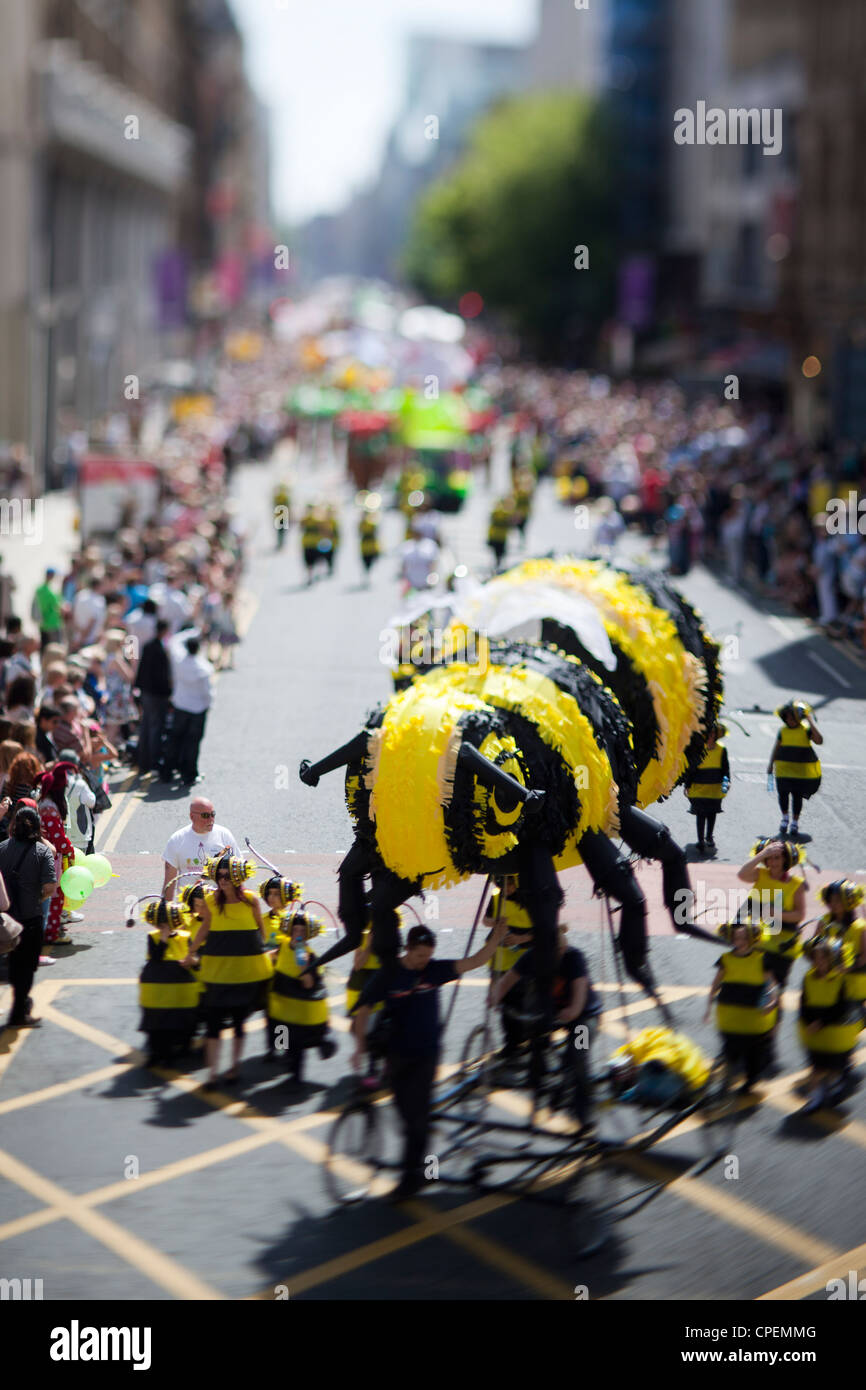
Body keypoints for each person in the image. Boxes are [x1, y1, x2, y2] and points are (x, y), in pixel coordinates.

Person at [350, 919, 509, 1202]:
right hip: (397, 1055)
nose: (425, 961)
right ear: (408, 950)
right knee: (405, 1114)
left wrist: (496, 939)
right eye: (420, 956)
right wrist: (359, 1047)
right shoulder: (389, 975)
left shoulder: (434, 971)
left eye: (429, 956)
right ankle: (421, 1162)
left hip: (426, 1054)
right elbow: (363, 1010)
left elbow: (474, 961)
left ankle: (412, 1180)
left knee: (415, 1119)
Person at [494, 923, 602, 1129]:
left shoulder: (574, 958)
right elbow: (507, 981)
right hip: (551, 1012)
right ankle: (540, 1085)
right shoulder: (533, 957)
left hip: (583, 1016)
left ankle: (584, 1113)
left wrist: (572, 1012)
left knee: (578, 1056)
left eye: (558, 953)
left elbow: (579, 994)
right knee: (536, 1042)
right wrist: (495, 998)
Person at [182, 854, 273, 1089]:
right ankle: (212, 1074)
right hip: (218, 971)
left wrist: (268, 950)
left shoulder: (251, 900)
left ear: (237, 877)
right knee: (214, 1025)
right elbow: (205, 928)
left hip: (246, 972)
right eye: (219, 876)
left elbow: (262, 930)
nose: (222, 881)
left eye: (227, 876)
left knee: (239, 1023)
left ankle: (235, 1067)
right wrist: (190, 952)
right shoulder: (211, 901)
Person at [737, 838, 807, 1070]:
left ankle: (768, 1045)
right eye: (770, 858)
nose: (773, 862)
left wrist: (775, 913)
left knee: (772, 996)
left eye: (777, 858)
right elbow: (742, 874)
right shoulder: (760, 875)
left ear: (786, 861)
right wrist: (761, 855)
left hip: (780, 949)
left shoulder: (795, 883)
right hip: (755, 945)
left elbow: (799, 915)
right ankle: (745, 1040)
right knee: (747, 991)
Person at [0, 805, 58, 1028]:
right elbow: (50, 887)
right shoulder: (42, 852)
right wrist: (37, 899)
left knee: (14, 963)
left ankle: (21, 1004)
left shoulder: (2, 848)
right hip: (31, 919)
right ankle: (19, 1012)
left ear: (14, 825)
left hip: (8, 920)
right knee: (28, 966)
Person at [266, 905, 336, 1088]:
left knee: (296, 1044)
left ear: (307, 934)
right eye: (295, 929)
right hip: (282, 1002)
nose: (298, 933)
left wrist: (303, 966)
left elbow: (308, 983)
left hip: (299, 1006)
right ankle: (286, 1059)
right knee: (281, 1036)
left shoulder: (306, 955)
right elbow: (273, 956)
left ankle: (296, 1076)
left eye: (302, 931)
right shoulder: (283, 945)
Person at [704, 922, 778, 1094]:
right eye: (737, 937)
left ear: (752, 939)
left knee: (751, 1049)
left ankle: (751, 1079)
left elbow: (771, 984)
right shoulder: (725, 959)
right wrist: (709, 1004)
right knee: (730, 1048)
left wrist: (772, 1000)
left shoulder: (761, 959)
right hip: (729, 1013)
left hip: (753, 1016)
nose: (740, 941)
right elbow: (716, 984)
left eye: (744, 938)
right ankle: (727, 1079)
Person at [798, 938, 862, 1113]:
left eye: (823, 958)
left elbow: (841, 1008)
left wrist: (821, 1022)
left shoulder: (841, 980)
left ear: (830, 959)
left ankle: (835, 1086)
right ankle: (815, 1099)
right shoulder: (808, 978)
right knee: (817, 1068)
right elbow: (804, 1002)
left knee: (834, 1067)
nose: (819, 962)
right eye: (816, 958)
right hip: (815, 1031)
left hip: (835, 1032)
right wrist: (808, 1022)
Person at [138, 899, 200, 1068]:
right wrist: (164, 938)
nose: (165, 926)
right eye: (162, 923)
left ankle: (174, 1053)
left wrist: (193, 962)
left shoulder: (186, 937)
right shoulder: (153, 937)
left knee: (177, 1021)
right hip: (156, 987)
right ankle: (156, 1053)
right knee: (156, 1023)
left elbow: (195, 960)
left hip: (180, 987)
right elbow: (156, 957)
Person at [810, 881, 866, 1022]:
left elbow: (864, 957)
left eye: (838, 900)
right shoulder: (823, 922)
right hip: (827, 983)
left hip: (853, 986)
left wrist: (848, 967)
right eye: (830, 900)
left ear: (849, 901)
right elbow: (813, 946)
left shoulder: (860, 928)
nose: (833, 904)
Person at [162, 634, 213, 786]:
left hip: (181, 706)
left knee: (175, 739)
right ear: (198, 649)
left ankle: (167, 772)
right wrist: (209, 704)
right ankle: (189, 775)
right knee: (193, 742)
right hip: (197, 710)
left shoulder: (179, 661)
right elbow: (208, 693)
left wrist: (193, 631)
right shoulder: (204, 667)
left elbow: (173, 640)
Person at [162, 799, 238, 900]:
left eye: (213, 814)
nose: (211, 819)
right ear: (192, 817)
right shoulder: (177, 840)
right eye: (205, 815)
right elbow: (169, 881)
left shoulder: (224, 835)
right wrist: (166, 909)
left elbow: (237, 871)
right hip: (189, 906)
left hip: (219, 905)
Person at [36, 762, 77, 946]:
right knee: (55, 896)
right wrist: (70, 849)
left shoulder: (43, 804)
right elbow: (59, 840)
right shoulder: (51, 810)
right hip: (51, 860)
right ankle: (51, 933)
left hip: (42, 856)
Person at [768, 700, 822, 838]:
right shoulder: (783, 731)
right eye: (787, 718)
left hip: (800, 772)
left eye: (793, 718)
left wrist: (810, 721)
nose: (790, 720)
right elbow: (777, 747)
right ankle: (785, 818)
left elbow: (819, 740)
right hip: (783, 769)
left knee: (797, 797)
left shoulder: (805, 730)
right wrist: (770, 764)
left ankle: (795, 823)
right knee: (783, 794)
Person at [684, 722, 730, 853]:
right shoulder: (699, 749)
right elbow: (691, 768)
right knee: (700, 813)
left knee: (712, 812)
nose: (710, 736)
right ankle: (700, 840)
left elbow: (725, 769)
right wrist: (687, 784)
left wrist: (727, 782)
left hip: (715, 788)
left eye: (712, 733)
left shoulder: (722, 749)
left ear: (716, 735)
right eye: (708, 733)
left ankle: (709, 836)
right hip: (698, 788)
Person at [134, 620, 172, 773]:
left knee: (145, 726)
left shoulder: (148, 646)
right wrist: (168, 693)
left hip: (146, 692)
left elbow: (141, 669)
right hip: (157, 694)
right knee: (156, 728)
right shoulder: (160, 650)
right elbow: (162, 676)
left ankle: (143, 762)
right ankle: (153, 762)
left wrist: (137, 688)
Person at [62, 749, 97, 855]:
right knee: (79, 863)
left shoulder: (53, 781)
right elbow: (92, 802)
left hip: (61, 833)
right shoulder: (79, 784)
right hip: (79, 834)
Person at [32, 569, 64, 652]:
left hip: (42, 623)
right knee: (54, 649)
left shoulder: (39, 589)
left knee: (44, 646)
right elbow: (58, 606)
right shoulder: (51, 592)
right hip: (52, 623)